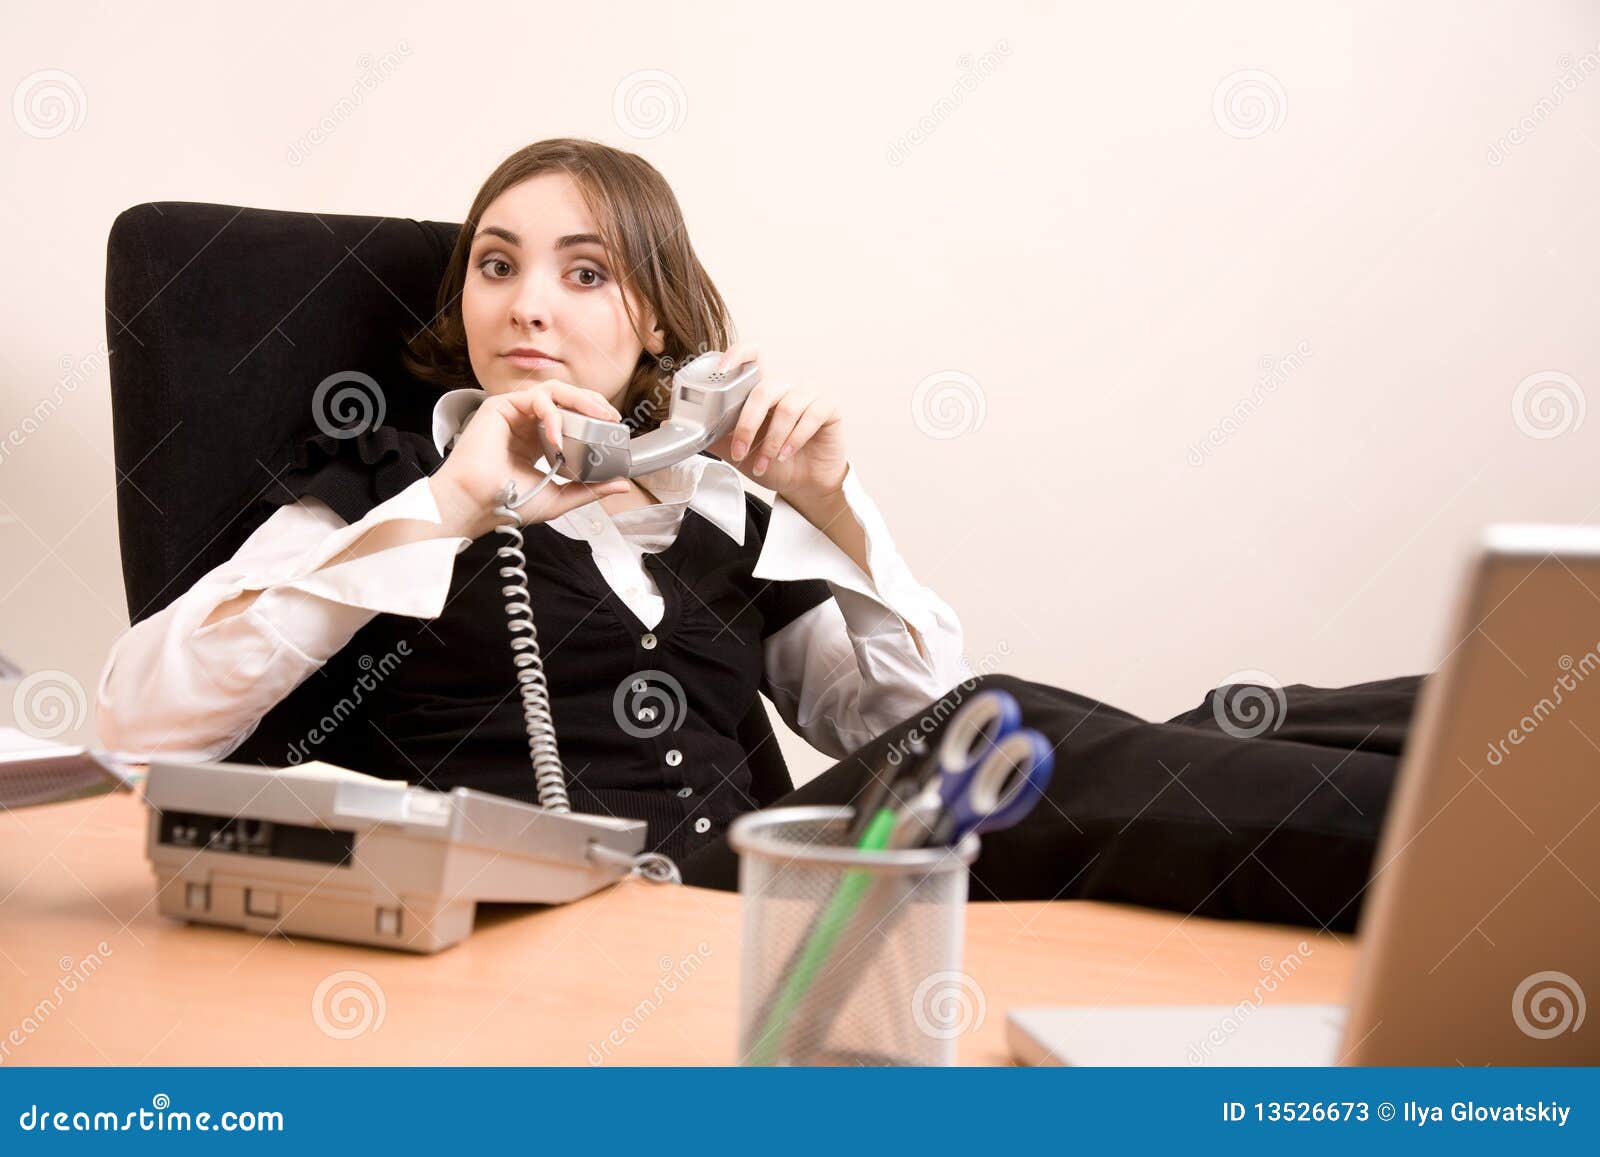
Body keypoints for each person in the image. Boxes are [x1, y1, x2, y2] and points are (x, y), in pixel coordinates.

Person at [95, 138, 1421, 932]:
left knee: (1248, 722)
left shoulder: (712, 511)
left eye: (586, 270)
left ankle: (1471, 780)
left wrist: (836, 512)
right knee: (1017, 732)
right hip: (634, 930)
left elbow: (897, 714)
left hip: (770, 885)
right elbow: (135, 727)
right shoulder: (390, 484)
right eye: (496, 264)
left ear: (656, 321)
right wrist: (445, 506)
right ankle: (1450, 857)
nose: (528, 304)